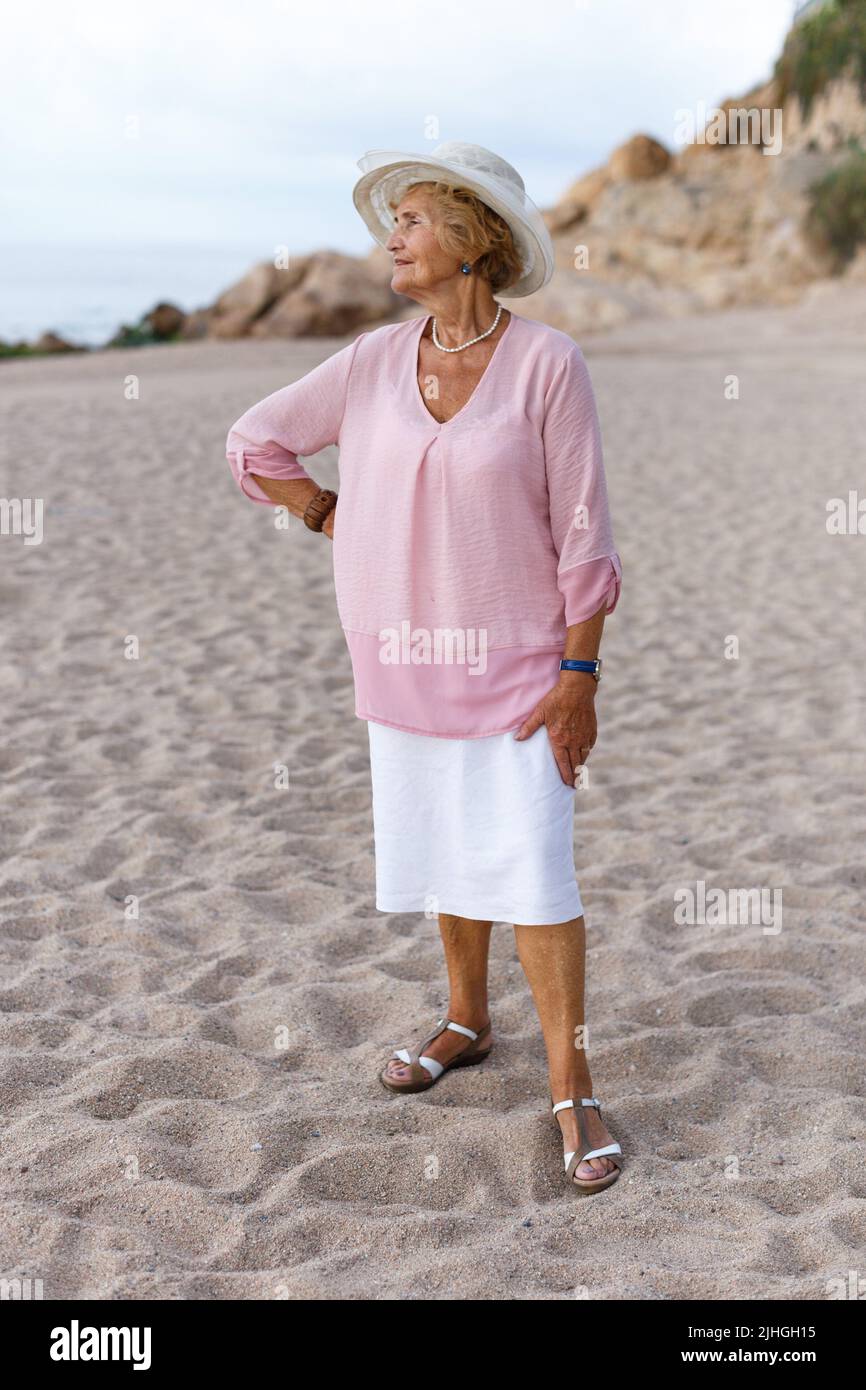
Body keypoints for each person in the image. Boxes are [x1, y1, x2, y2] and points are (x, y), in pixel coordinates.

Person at [226, 142, 624, 1193]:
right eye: (389, 221)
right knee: (448, 852)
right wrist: (319, 509)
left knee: (535, 874)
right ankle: (464, 1018)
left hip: (524, 671)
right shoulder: (366, 362)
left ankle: (571, 1084)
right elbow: (254, 441)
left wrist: (580, 671)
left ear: (474, 237)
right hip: (402, 666)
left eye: (411, 218)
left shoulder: (547, 364)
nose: (389, 238)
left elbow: (583, 533)